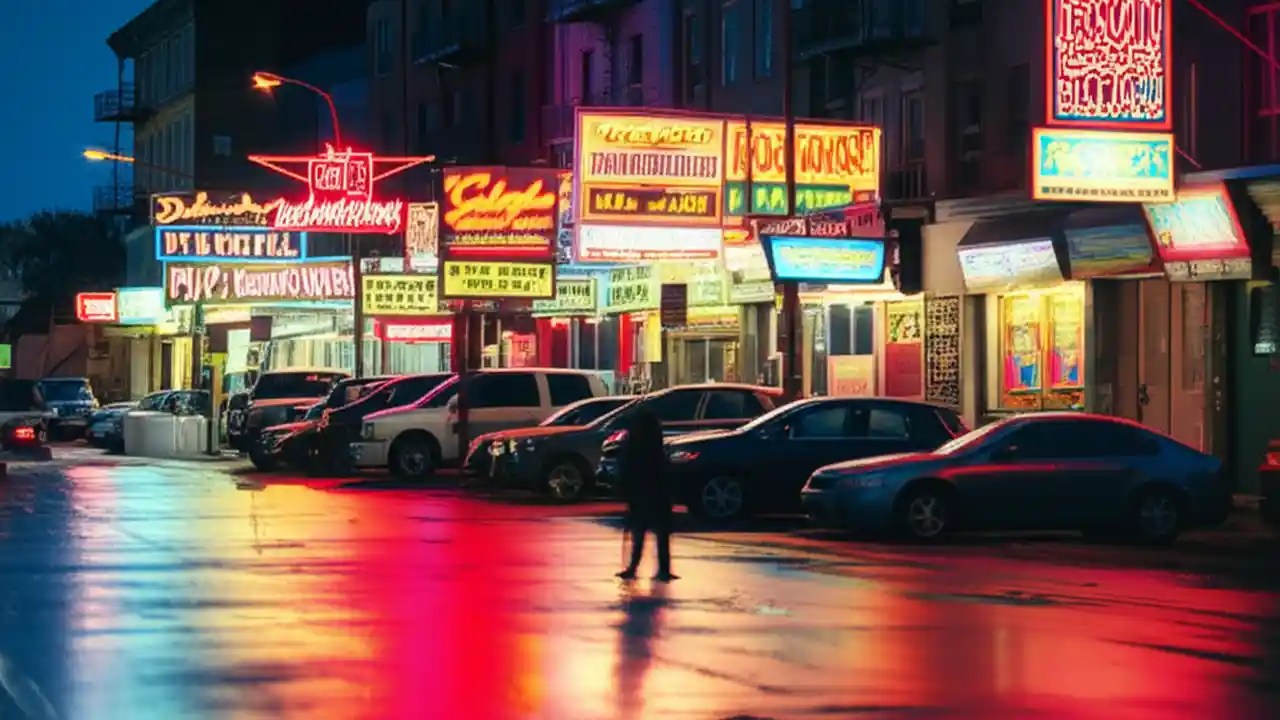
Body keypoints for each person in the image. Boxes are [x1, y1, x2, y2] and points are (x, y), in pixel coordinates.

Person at [616, 408, 677, 581]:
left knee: (638, 531)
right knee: (661, 532)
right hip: (657, 491)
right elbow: (663, 468)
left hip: (640, 491)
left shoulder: (632, 443)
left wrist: (624, 489)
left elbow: (625, 467)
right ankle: (663, 569)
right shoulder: (655, 443)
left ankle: (633, 567)